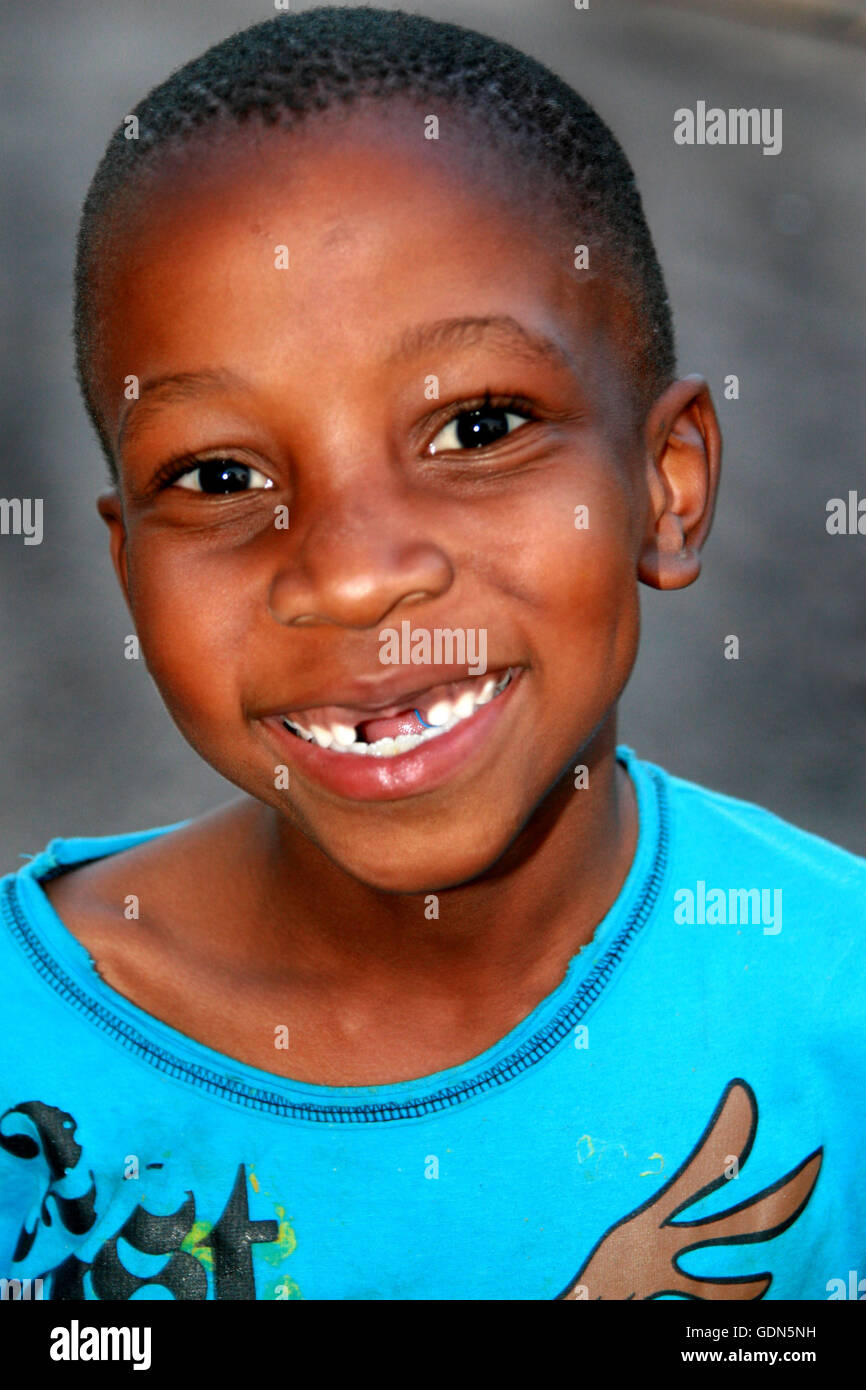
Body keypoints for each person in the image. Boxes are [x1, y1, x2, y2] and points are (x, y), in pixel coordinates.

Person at [1, 6, 862, 1301]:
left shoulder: (835, 1000)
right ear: (129, 566)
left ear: (664, 487)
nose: (349, 570)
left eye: (478, 425)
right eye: (220, 472)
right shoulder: (27, 1065)